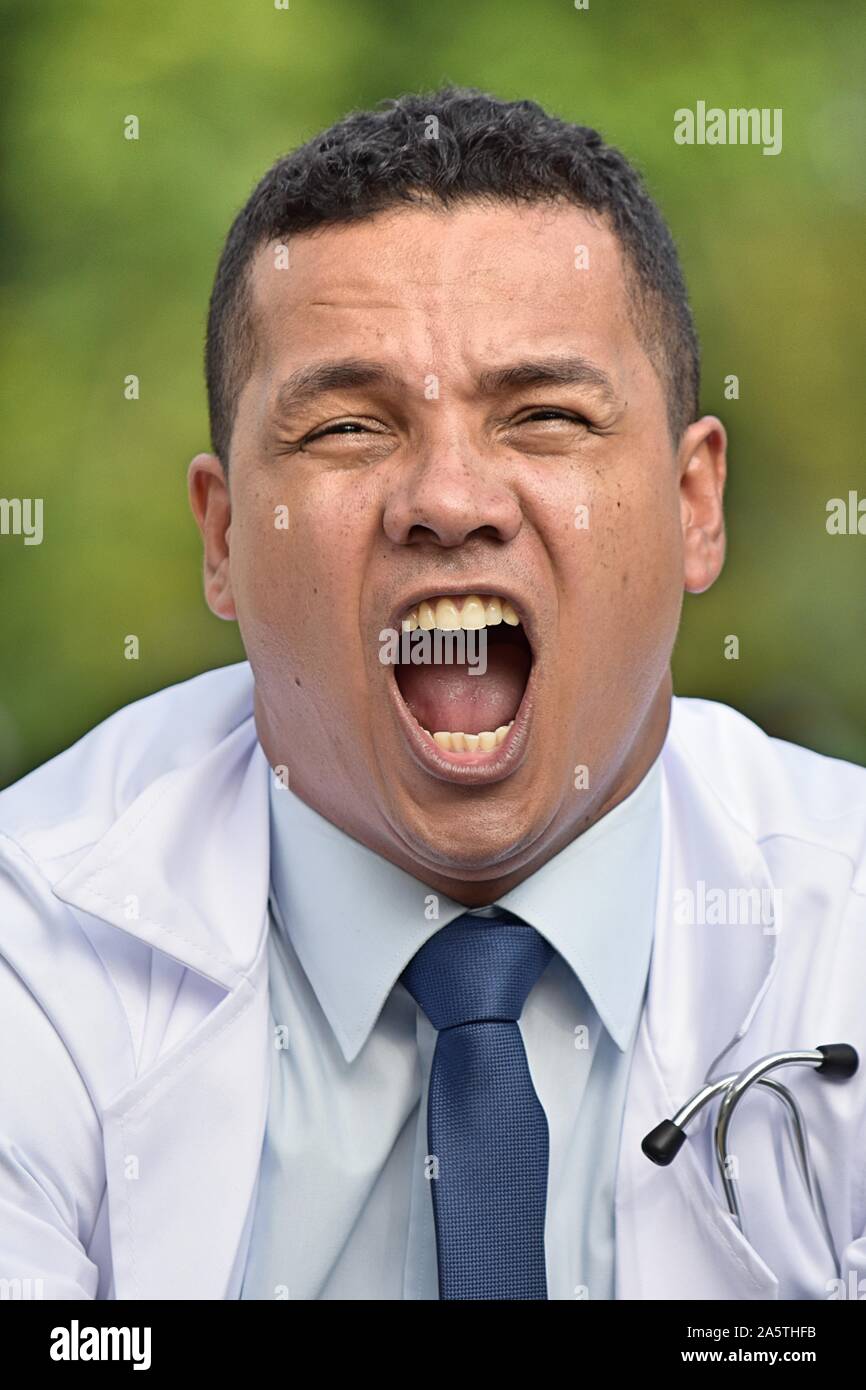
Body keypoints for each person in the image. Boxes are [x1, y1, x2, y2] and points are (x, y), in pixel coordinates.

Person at [1, 87, 864, 1303]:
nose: (448, 500)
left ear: (693, 506)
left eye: (545, 416)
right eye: (348, 428)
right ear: (225, 535)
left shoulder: (845, 925)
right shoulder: (32, 948)